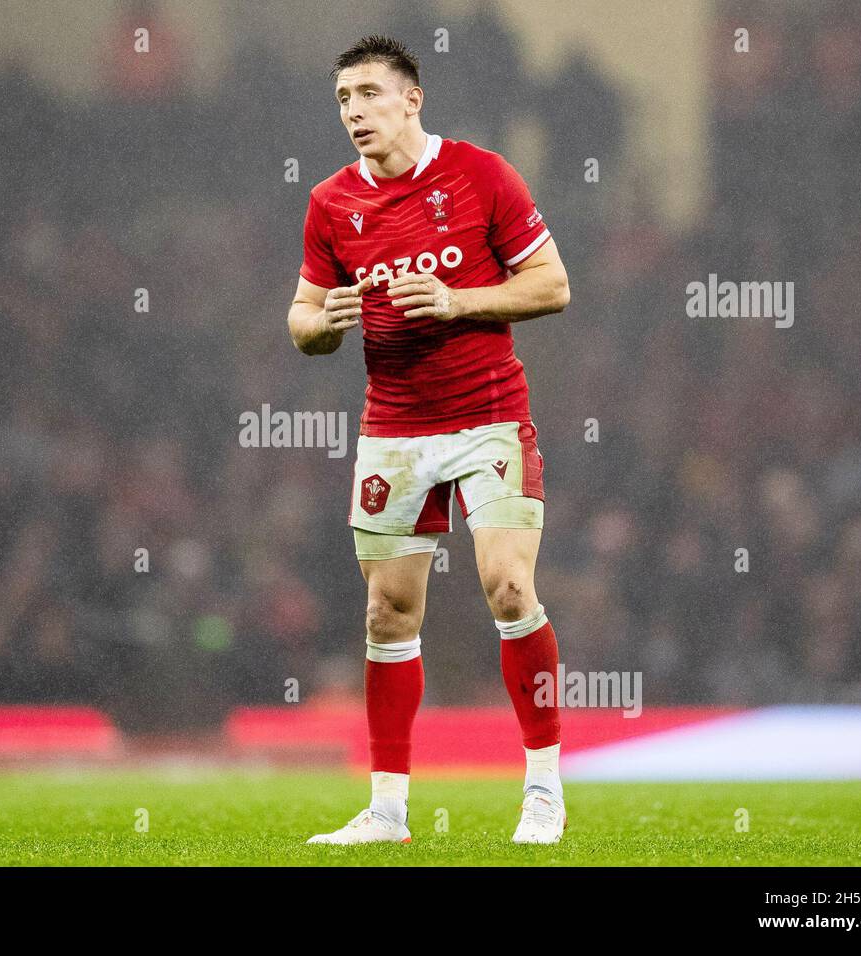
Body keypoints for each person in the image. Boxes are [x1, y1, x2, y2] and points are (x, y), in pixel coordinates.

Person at [286, 35, 571, 845]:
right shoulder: (331, 204)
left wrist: (456, 302)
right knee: (386, 612)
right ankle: (386, 811)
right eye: (344, 99)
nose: (354, 112)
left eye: (370, 94)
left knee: (509, 587)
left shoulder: (482, 174)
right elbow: (302, 318)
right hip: (396, 427)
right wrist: (323, 326)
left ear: (412, 99)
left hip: (488, 415)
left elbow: (552, 284)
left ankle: (544, 790)